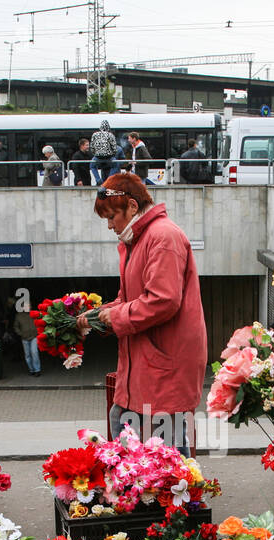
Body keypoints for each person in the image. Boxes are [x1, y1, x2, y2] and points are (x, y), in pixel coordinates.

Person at [86, 173, 207, 455]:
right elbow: (129, 299)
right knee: (122, 423)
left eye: (111, 216)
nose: (109, 225)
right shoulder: (138, 240)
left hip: (165, 364)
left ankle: (183, 496)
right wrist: (97, 314)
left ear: (131, 206)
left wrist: (114, 317)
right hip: (147, 363)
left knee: (169, 452)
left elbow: (163, 300)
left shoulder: (162, 237)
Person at [13, 299, 42, 377]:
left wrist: (38, 332)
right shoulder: (18, 316)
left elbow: (40, 322)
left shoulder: (34, 314)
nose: (28, 307)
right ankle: (31, 369)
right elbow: (16, 327)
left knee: (34, 353)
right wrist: (21, 334)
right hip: (24, 338)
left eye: (29, 305)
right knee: (27, 355)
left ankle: (37, 370)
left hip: (34, 337)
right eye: (26, 306)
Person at [89, 120, 119, 186]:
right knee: (116, 165)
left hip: (98, 157)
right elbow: (114, 148)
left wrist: (96, 154)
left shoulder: (95, 134)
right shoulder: (110, 135)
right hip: (108, 157)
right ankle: (109, 179)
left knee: (92, 166)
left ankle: (98, 180)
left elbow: (92, 147)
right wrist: (112, 154)